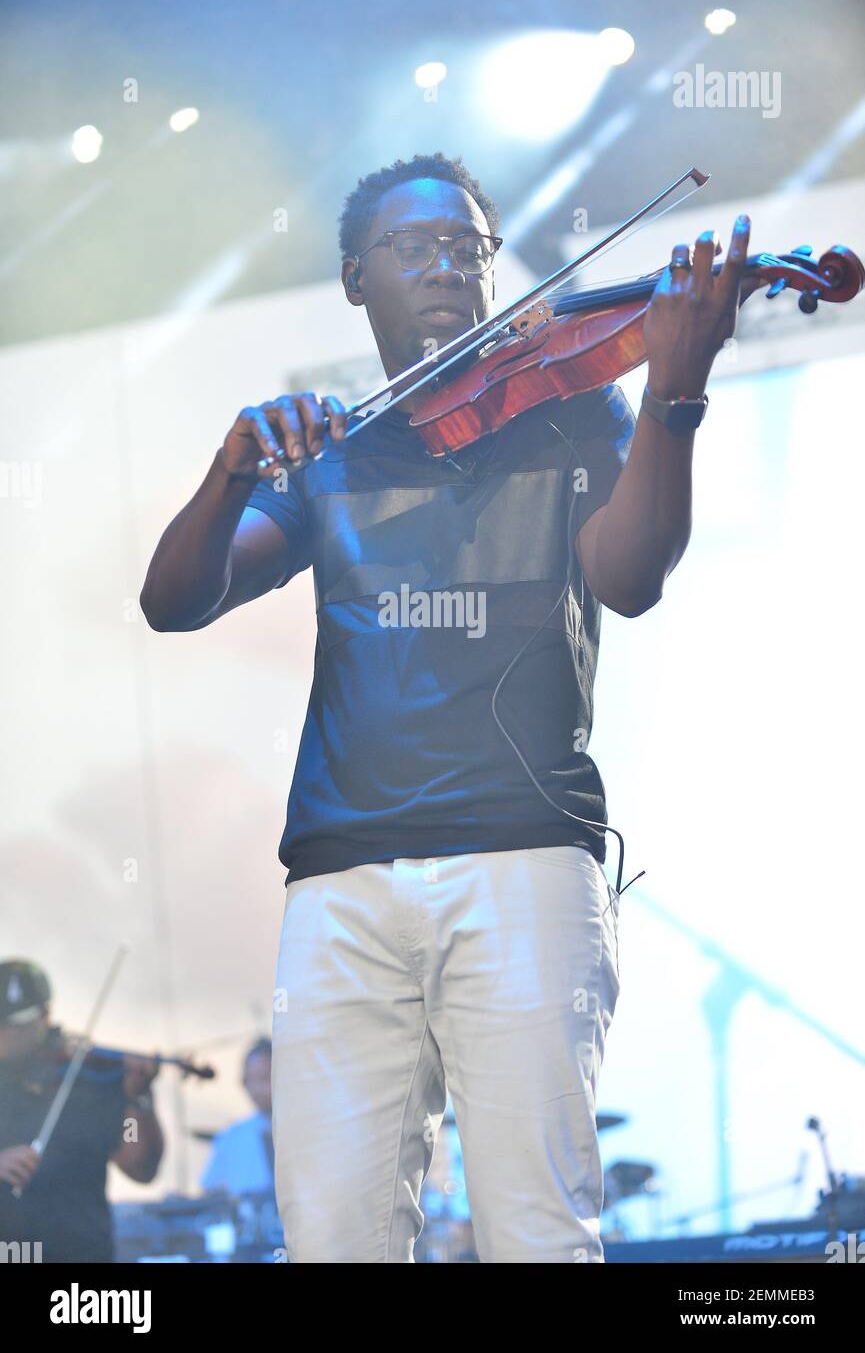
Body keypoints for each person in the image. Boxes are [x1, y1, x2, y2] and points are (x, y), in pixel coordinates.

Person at [141, 152, 752, 1263]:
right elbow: (175, 602)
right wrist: (228, 469)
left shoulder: (575, 411)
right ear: (352, 278)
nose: (443, 265)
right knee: (337, 1236)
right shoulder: (325, 450)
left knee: (537, 1230)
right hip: (341, 876)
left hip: (524, 852)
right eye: (410, 247)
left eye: (465, 247)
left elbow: (628, 576)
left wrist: (674, 391)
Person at [0, 959, 165, 1263]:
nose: (8, 1034)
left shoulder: (89, 1076)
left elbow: (139, 1166)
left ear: (45, 1014)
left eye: (19, 1024)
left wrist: (138, 1100)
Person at [200, 1038, 276, 1197]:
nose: (258, 1088)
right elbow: (210, 1192)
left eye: (264, 1078)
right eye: (250, 1080)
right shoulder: (231, 1137)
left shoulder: (307, 1129)